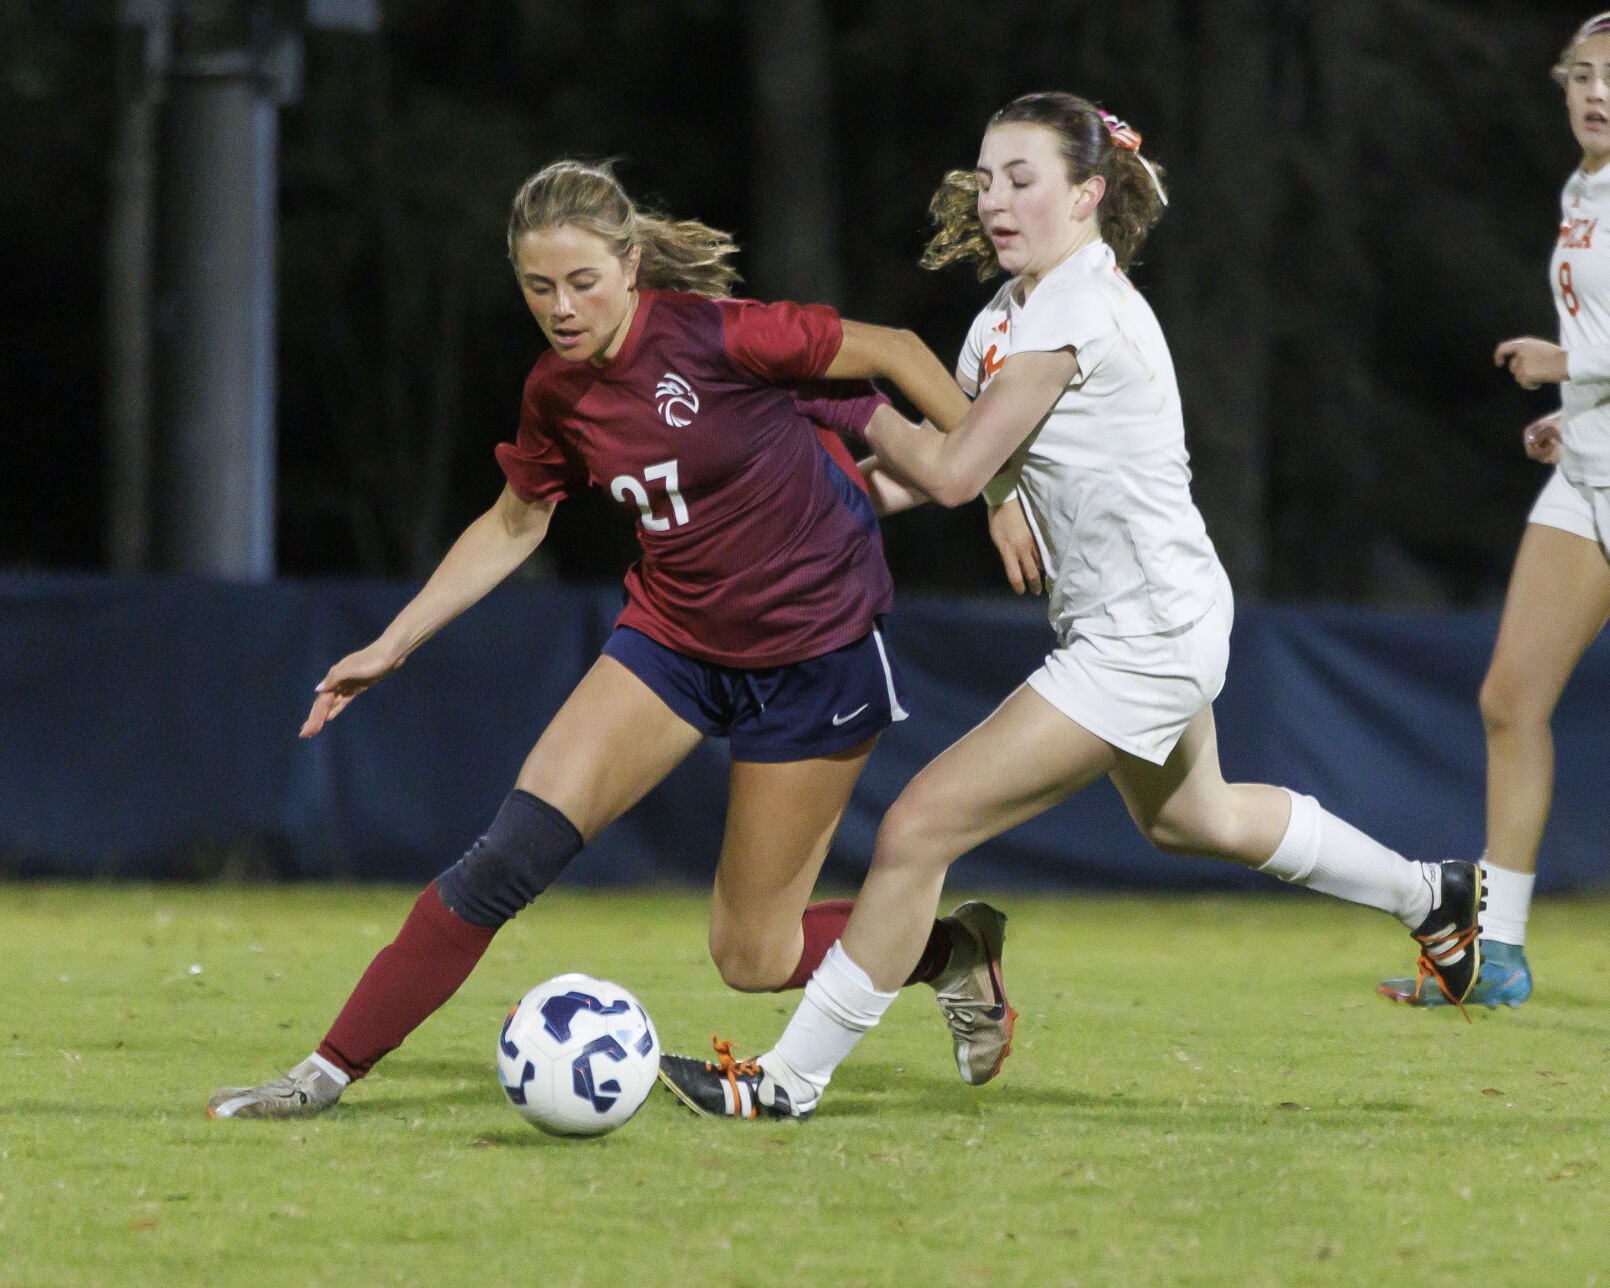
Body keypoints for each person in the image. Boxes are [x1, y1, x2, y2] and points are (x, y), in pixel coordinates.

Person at [658, 92, 1485, 1122]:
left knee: (918, 826)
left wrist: (846, 392)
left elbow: (956, 468)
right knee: (1199, 815)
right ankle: (1430, 894)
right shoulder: (1006, 317)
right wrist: (807, 485)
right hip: (1156, 615)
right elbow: (945, 476)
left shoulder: (1076, 306)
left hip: (1142, 634)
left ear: (1088, 194)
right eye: (986, 177)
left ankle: (787, 1080)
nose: (995, 198)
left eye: (1022, 178)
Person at [206, 158, 1005, 1119]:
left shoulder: (721, 334)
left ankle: (948, 951)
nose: (562, 306)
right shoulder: (558, 391)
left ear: (631, 266)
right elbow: (514, 522)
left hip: (814, 659)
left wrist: (996, 482)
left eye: (583, 281)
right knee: (505, 857)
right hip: (670, 642)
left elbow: (897, 348)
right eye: (539, 287)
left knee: (753, 957)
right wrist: (394, 642)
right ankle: (324, 1075)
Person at [1379, 12, 1610, 1010]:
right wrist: (1571, 413)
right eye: (1584, 75)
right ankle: (1495, 954)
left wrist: (1568, 366)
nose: (1597, 94)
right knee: (1506, 700)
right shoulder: (1579, 187)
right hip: (1588, 470)